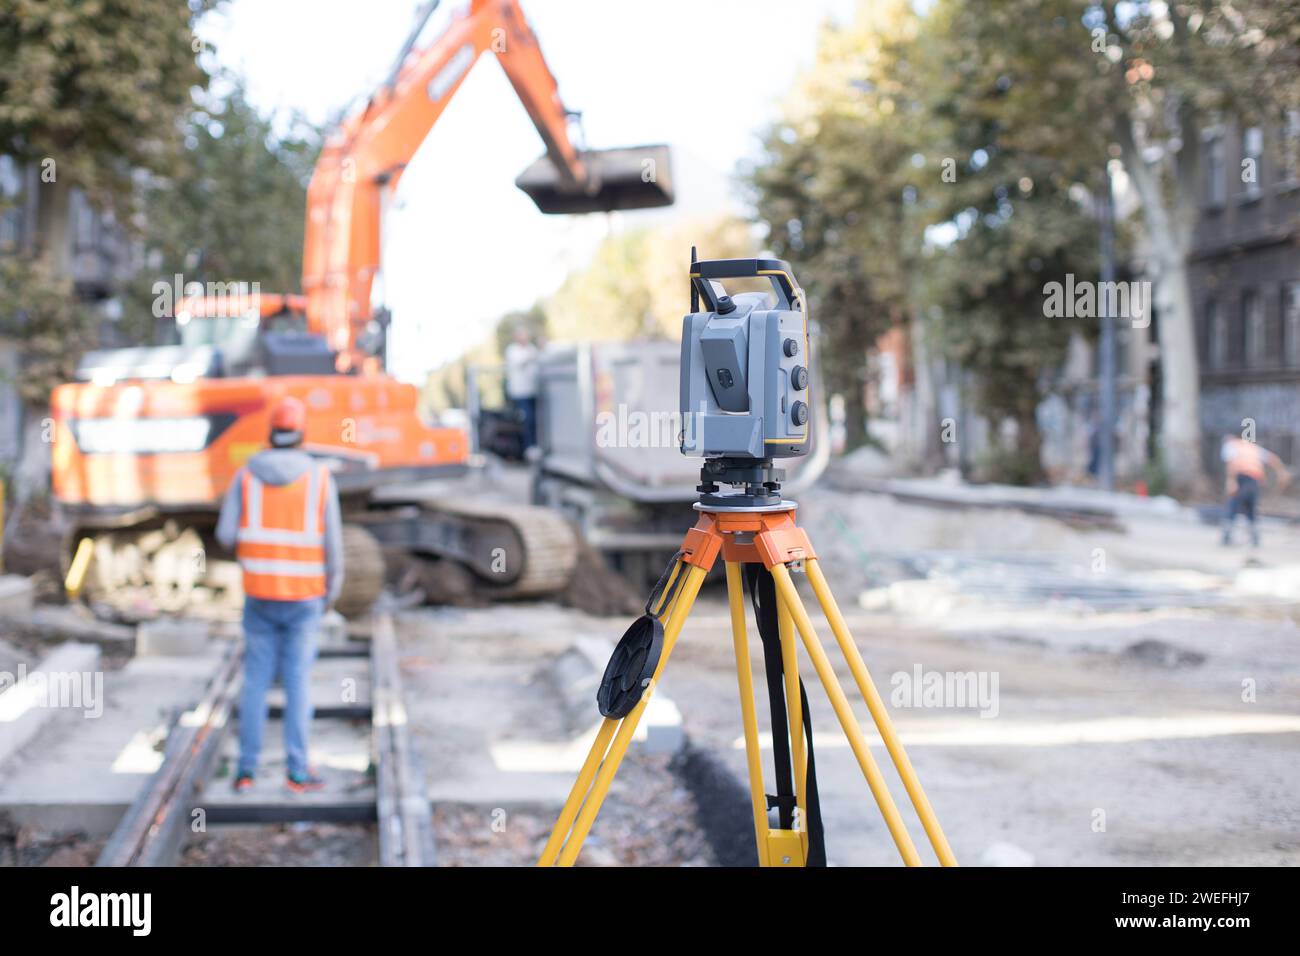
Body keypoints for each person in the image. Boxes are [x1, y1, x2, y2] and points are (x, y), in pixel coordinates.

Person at [216, 395, 344, 793]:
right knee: (297, 684)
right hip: (305, 599)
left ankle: (246, 771)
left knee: (255, 682)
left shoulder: (245, 476)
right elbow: (334, 549)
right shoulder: (321, 478)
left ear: (271, 432)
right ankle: (296, 772)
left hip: (260, 596)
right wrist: (330, 596)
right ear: (302, 434)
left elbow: (224, 535)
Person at [1220, 433, 1291, 547]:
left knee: (1233, 505)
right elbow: (1273, 459)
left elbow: (1231, 463)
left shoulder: (1231, 446)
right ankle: (1255, 539)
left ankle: (1227, 537)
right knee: (1250, 507)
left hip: (1242, 478)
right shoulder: (1252, 448)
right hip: (1254, 480)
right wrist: (1281, 472)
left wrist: (1231, 481)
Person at [504, 325, 540, 453]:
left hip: (533, 390)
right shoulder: (512, 350)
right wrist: (531, 356)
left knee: (536, 418)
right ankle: (529, 446)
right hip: (520, 392)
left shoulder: (532, 349)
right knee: (527, 418)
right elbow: (520, 363)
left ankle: (536, 445)